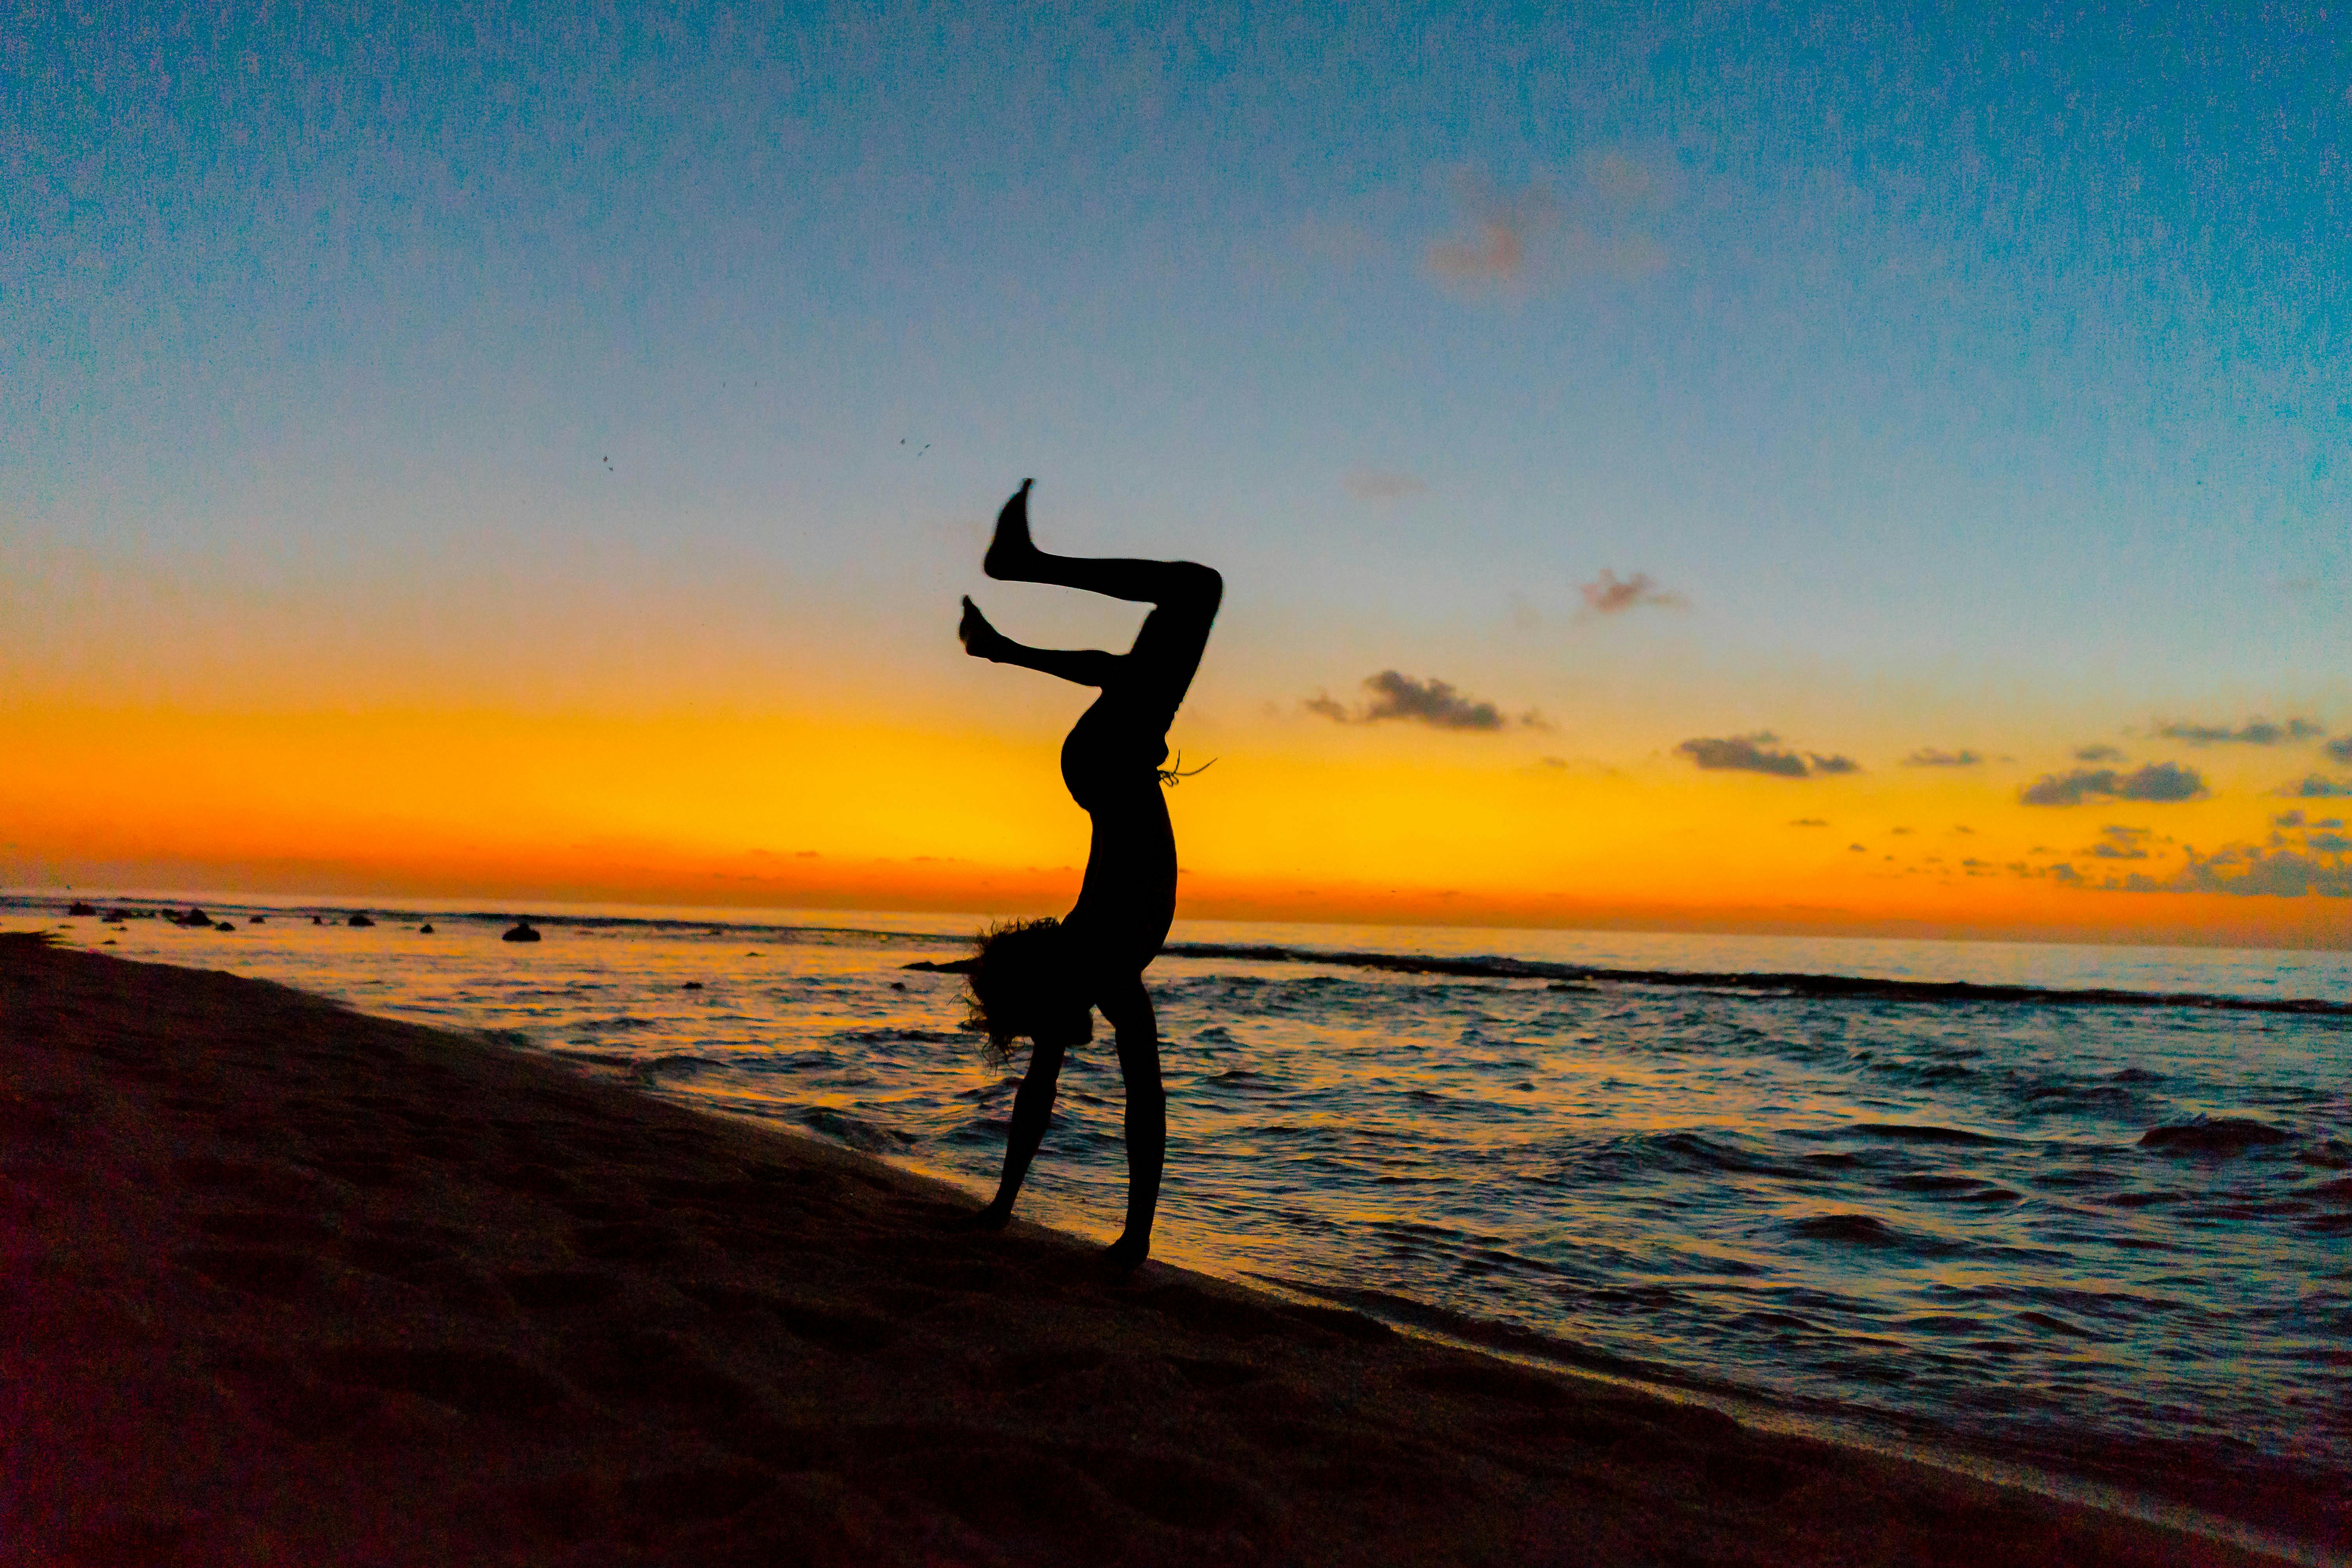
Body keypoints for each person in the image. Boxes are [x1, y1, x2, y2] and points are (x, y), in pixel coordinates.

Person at [955, 479, 1221, 1269]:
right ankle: (1021, 570)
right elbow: (1138, 1094)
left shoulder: (1092, 957)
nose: (1037, 928)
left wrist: (1008, 1206)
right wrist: (1127, 1237)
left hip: (1109, 767)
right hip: (1105, 766)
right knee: (1177, 610)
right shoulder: (1093, 963)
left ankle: (1022, 566)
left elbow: (1128, 1093)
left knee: (1189, 598)